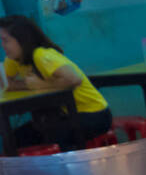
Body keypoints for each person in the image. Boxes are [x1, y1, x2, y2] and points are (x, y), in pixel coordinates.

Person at [0, 14, 111, 151]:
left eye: (6, 40)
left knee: (54, 136)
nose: (3, 45)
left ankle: (69, 170)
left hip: (94, 115)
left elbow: (74, 79)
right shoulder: (13, 59)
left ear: (22, 39)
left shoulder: (42, 55)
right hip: (63, 116)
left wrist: (41, 84)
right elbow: (6, 84)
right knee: (16, 138)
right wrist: (28, 84)